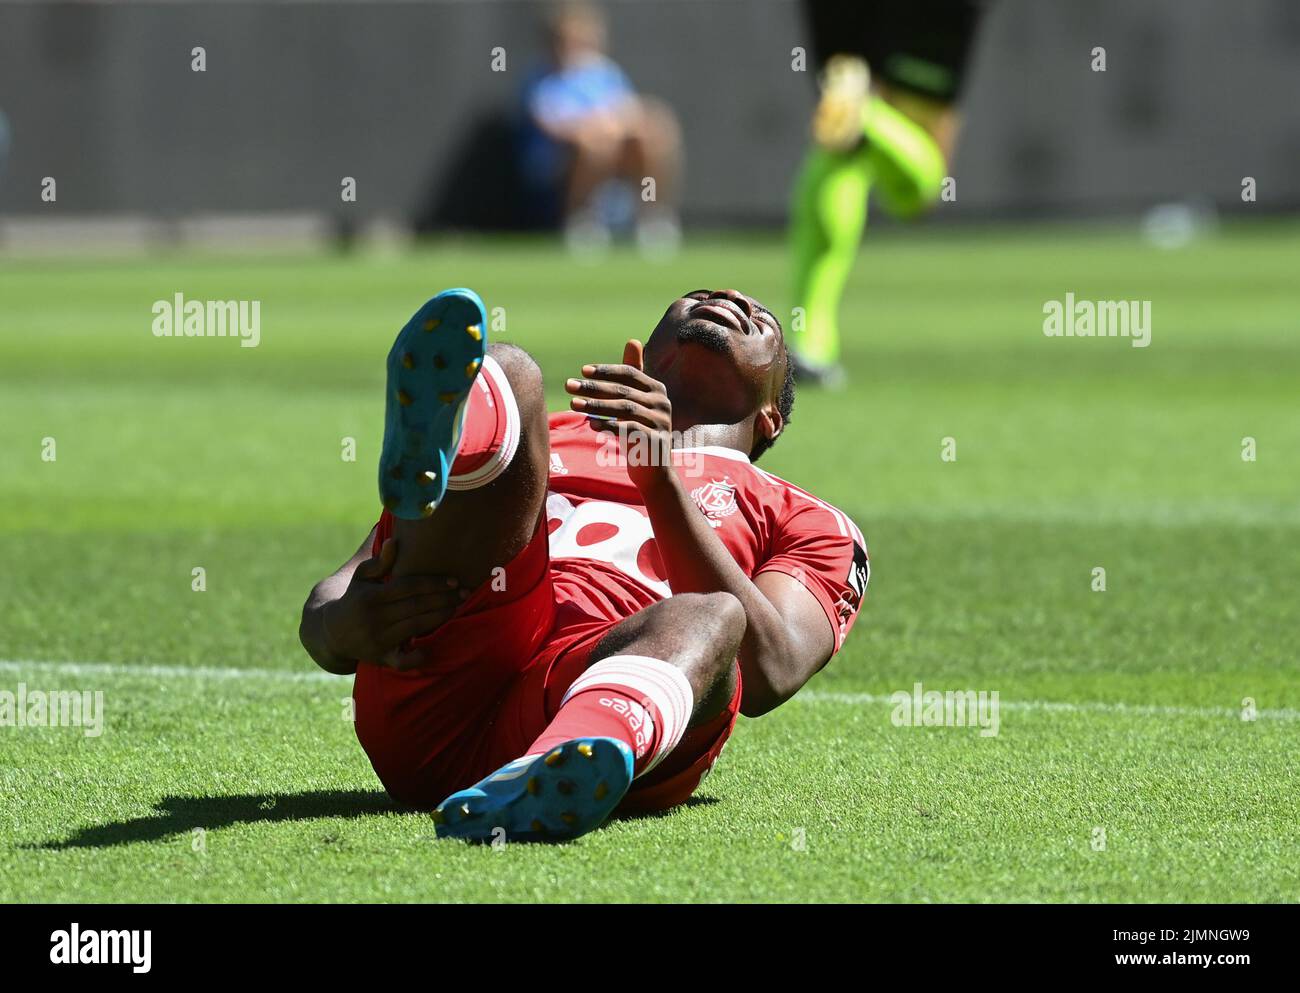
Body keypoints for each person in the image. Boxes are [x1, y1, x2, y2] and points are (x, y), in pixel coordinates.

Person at [299, 286, 869, 841]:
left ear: (772, 415)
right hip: (442, 677)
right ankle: (448, 418)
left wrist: (659, 475)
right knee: (509, 370)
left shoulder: (808, 519)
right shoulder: (541, 434)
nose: (729, 299)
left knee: (713, 616)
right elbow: (335, 596)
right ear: (646, 354)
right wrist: (338, 627)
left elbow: (771, 671)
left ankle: (560, 765)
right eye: (696, 294)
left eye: (759, 317)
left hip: (600, 677)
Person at [789, 1, 988, 386]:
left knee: (851, 156)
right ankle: (867, 119)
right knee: (844, 157)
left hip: (891, 98)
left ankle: (810, 346)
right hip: (889, 84)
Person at [518, 1, 682, 255]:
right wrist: (600, 128)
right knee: (593, 143)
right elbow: (554, 129)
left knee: (652, 130)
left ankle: (651, 218)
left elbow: (630, 114)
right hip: (557, 169)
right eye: (567, 39)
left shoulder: (604, 73)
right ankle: (582, 222)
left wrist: (619, 126)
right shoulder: (540, 79)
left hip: (611, 156)